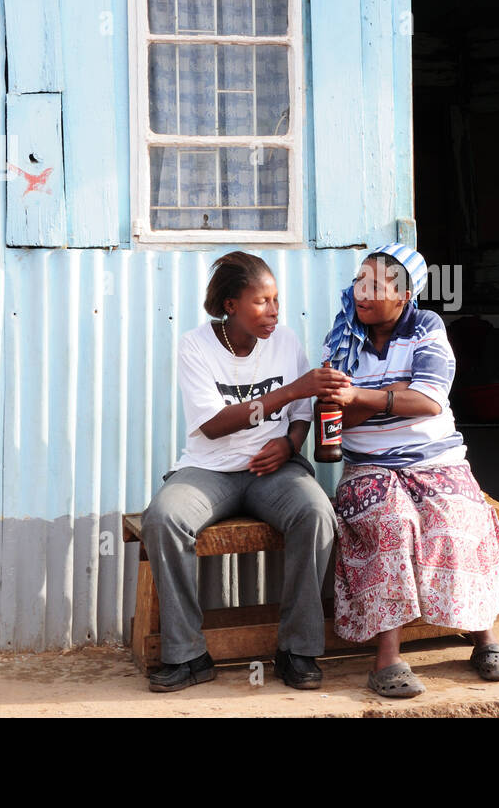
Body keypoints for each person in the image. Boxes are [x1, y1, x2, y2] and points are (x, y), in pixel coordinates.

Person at [142, 252, 350, 692]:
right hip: (210, 470)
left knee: (316, 513)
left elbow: (301, 412)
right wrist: (292, 389)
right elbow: (214, 426)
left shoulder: (286, 340)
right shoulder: (195, 345)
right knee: (163, 519)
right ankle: (188, 655)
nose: (273, 311)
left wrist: (289, 444)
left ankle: (296, 650)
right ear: (231, 305)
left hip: (272, 471)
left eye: (276, 301)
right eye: (262, 302)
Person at [321, 243, 499, 698]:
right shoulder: (342, 336)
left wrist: (365, 397)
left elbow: (430, 401)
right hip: (367, 465)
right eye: (358, 281)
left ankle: (483, 637)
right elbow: (335, 419)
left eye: (375, 285)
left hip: (436, 461)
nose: (361, 293)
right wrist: (394, 393)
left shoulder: (427, 327)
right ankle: (387, 657)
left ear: (405, 296)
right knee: (392, 522)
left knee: (457, 519)